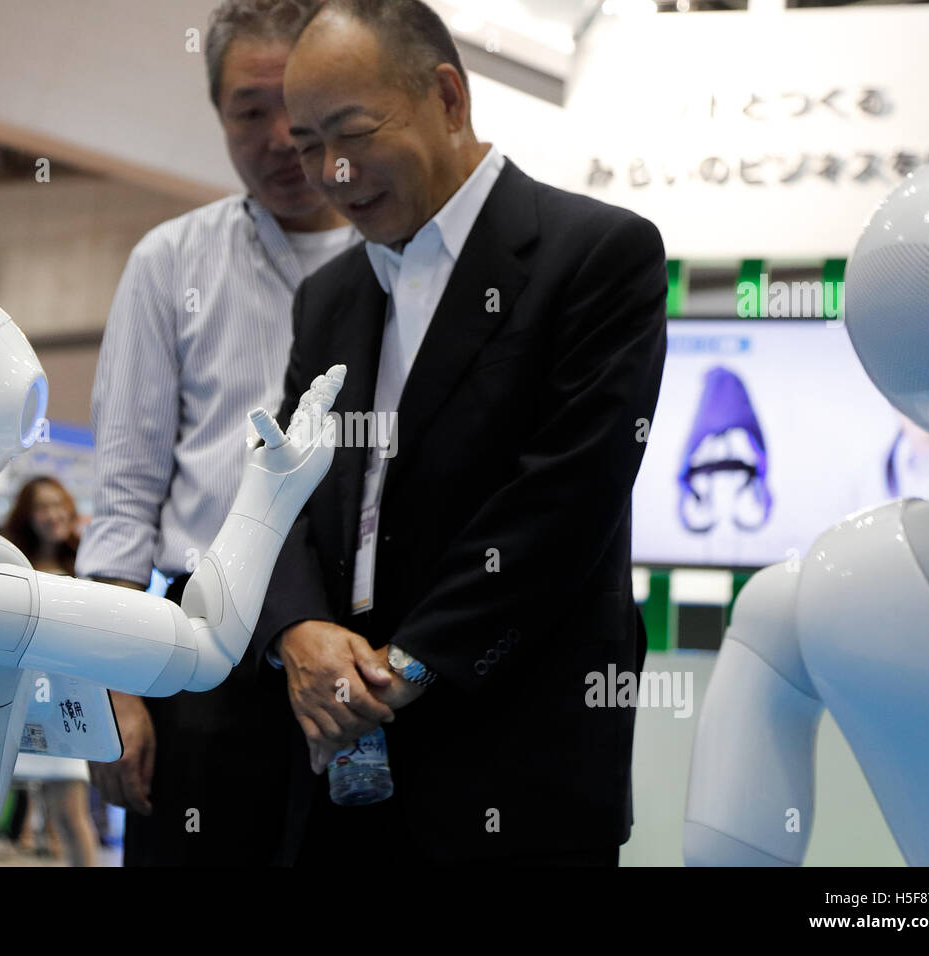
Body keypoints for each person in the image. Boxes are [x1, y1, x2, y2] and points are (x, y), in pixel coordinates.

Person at [251, 0, 668, 864]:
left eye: (355, 132)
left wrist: (404, 668)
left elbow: (565, 501)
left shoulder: (594, 255)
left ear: (448, 97)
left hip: (514, 758)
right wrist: (297, 629)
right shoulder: (327, 299)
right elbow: (282, 486)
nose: (333, 172)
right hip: (340, 765)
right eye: (306, 146)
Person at [76, 0, 359, 865]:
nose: (280, 136)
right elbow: (122, 496)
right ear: (218, 115)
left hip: (363, 643)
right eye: (249, 110)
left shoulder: (405, 260)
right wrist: (113, 690)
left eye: (298, 105)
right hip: (203, 652)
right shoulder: (172, 262)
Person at [0, 476, 101, 867]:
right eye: (42, 506)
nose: (54, 514)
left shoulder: (89, 566)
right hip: (13, 698)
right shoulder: (8, 566)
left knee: (73, 818)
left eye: (60, 504)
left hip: (66, 704)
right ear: (27, 514)